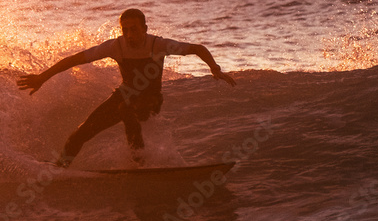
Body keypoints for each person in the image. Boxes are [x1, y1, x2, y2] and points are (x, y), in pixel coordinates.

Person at [17, 9, 236, 167]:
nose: (129, 35)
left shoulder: (157, 45)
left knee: (125, 108)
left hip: (151, 99)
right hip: (125, 94)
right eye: (125, 30)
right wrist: (42, 78)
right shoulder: (116, 46)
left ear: (145, 28)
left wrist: (214, 69)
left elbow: (197, 48)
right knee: (80, 134)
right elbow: (75, 60)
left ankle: (139, 160)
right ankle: (61, 168)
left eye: (134, 29)